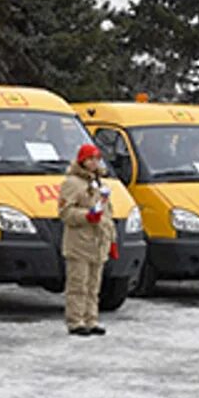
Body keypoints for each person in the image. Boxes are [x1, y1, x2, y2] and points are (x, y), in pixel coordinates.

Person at [57, 143, 117, 335]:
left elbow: (107, 213)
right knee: (78, 284)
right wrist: (86, 216)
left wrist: (112, 239)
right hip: (79, 243)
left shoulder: (100, 183)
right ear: (82, 160)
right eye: (90, 159)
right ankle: (75, 321)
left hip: (98, 242)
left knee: (93, 286)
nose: (94, 162)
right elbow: (65, 212)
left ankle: (91, 319)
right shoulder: (72, 183)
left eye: (96, 158)